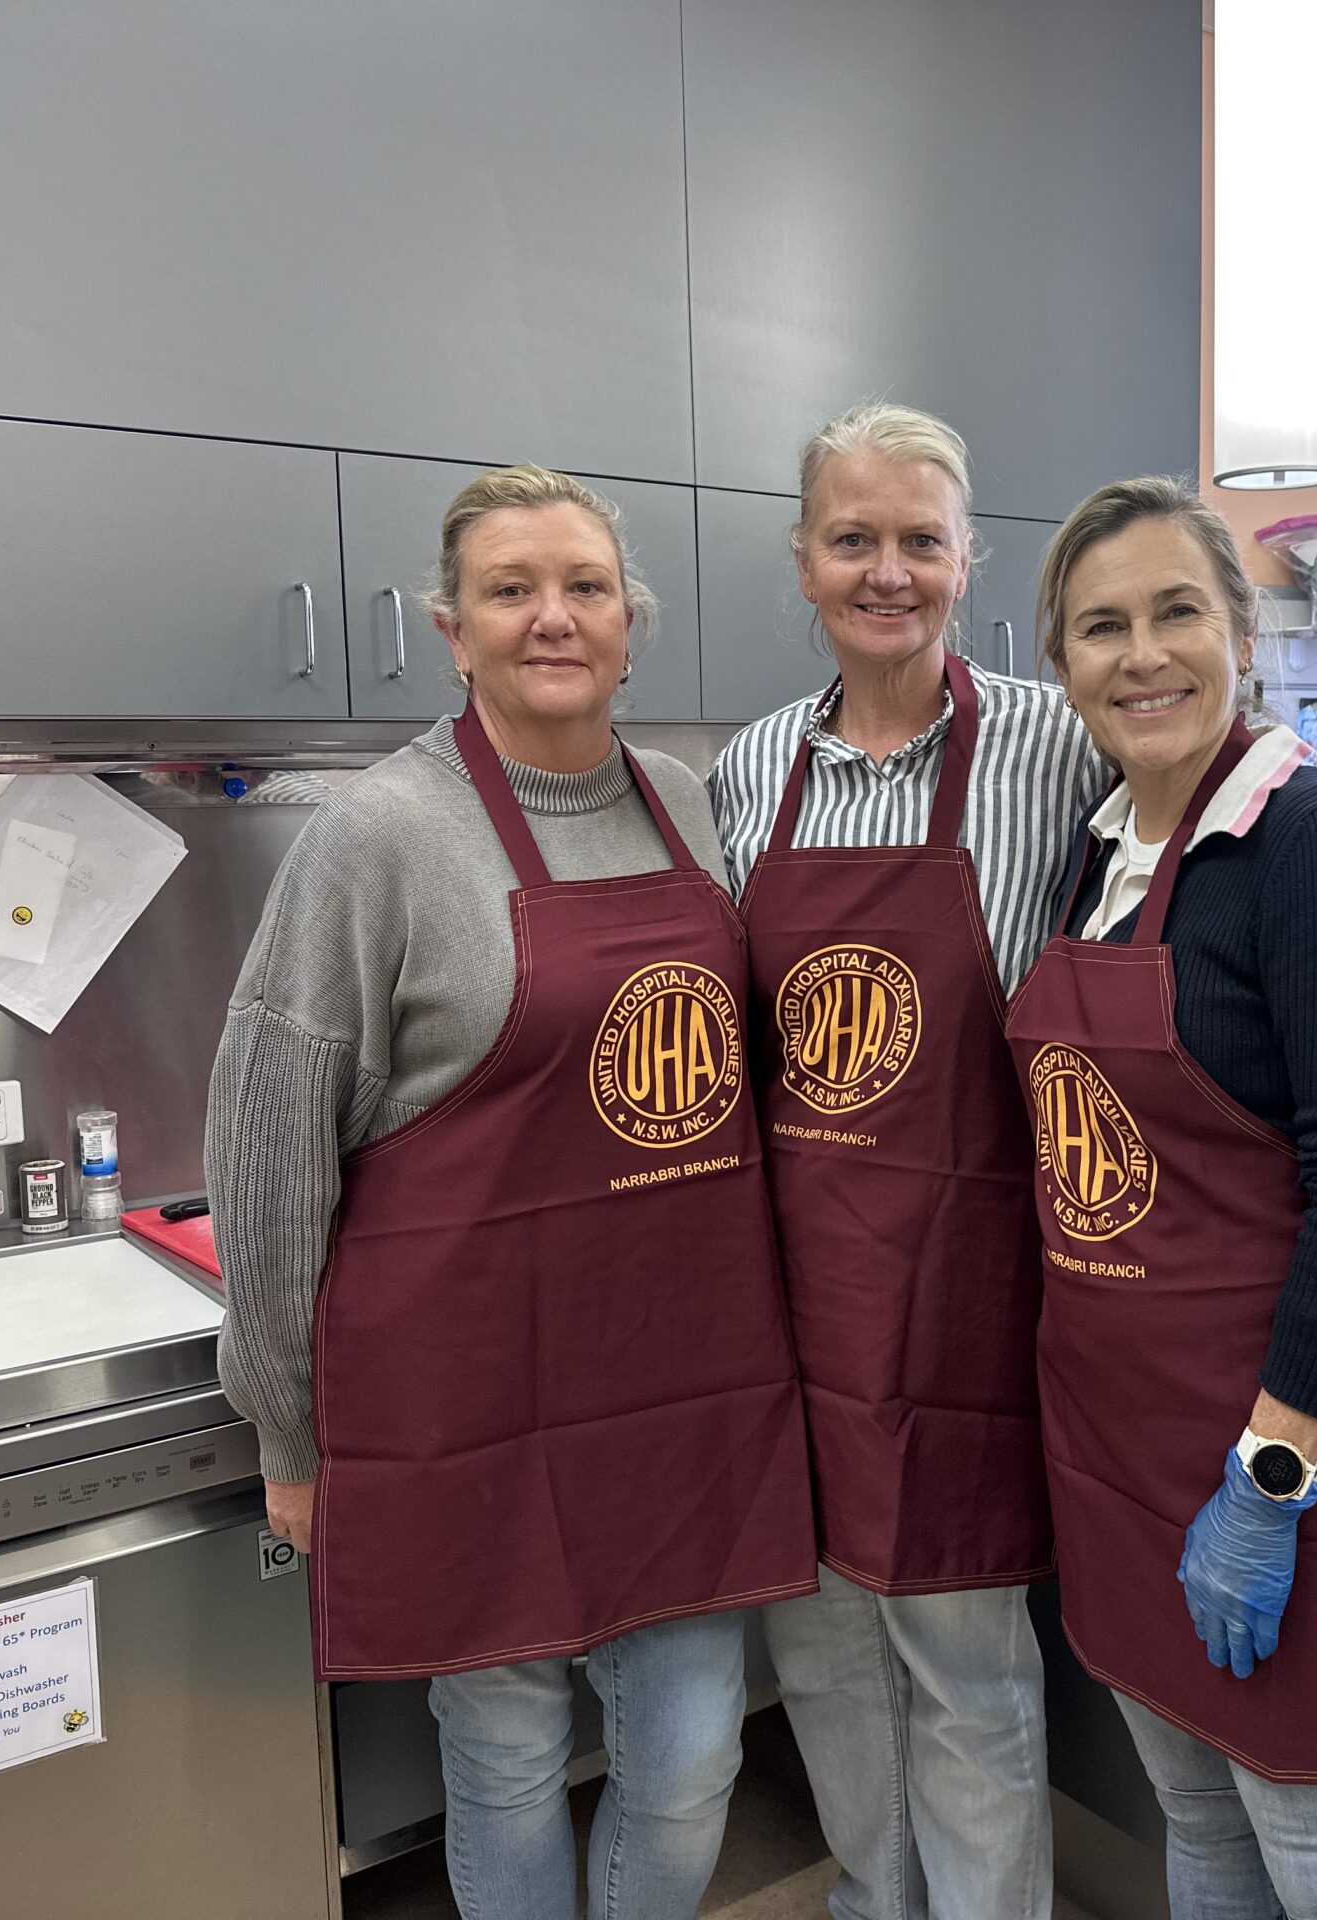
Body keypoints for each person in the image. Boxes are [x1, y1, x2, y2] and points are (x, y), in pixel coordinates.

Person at [207, 465, 816, 1920]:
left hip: (676, 1392)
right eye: (511, 590)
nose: (554, 617)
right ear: (451, 627)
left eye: (585, 588)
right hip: (467, 1402)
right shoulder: (378, 836)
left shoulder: (684, 803)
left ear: (629, 622)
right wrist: (287, 1425)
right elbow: (270, 1145)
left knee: (686, 1760)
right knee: (505, 1757)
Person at [1006, 476, 1317, 1920]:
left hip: (1277, 1468)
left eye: (1174, 614)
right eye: (1101, 627)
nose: (1140, 655)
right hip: (1124, 1461)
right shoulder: (1095, 856)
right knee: (1200, 1837)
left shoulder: (1316, 849)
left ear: (1242, 637)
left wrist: (1267, 1482)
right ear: (1063, 663)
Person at [709, 402, 1109, 1920]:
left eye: (920, 542)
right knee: (819, 1657)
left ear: (969, 561)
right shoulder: (753, 771)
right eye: (854, 539)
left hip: (968, 1300)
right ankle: (877, 1900)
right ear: (803, 563)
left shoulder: (1056, 743)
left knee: (969, 1670)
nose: (889, 572)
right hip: (794, 1302)